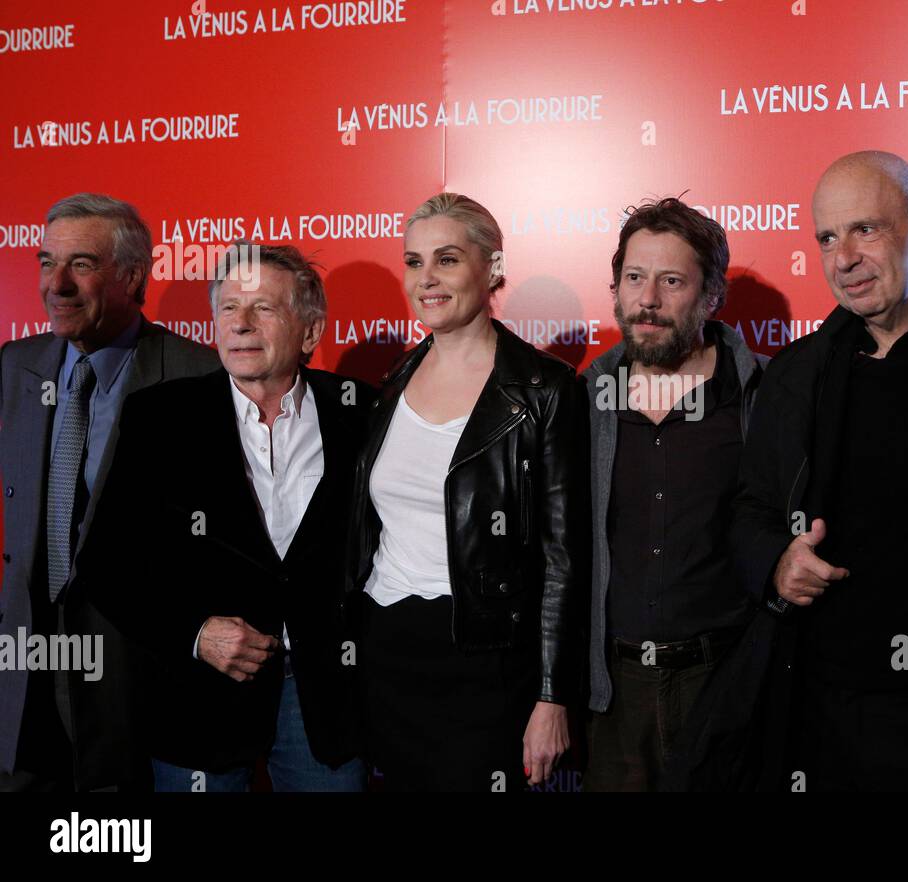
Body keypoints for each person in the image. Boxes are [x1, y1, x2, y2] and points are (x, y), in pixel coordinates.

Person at [673, 151, 908, 791]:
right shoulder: (796, 373)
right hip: (825, 715)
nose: (843, 258)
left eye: (865, 229)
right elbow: (749, 510)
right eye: (827, 237)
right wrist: (776, 565)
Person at [76, 243, 373, 791]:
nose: (240, 324)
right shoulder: (160, 417)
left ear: (310, 332)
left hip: (324, 699)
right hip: (198, 699)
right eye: (228, 308)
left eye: (263, 308)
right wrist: (195, 633)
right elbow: (105, 564)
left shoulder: (360, 412)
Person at [348, 193, 588, 792]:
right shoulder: (391, 383)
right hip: (389, 650)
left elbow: (564, 557)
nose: (426, 278)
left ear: (493, 267)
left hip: (486, 658)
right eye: (413, 261)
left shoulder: (544, 389)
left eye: (447, 259)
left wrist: (551, 696)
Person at [0, 193, 219, 791]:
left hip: (136, 669)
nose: (57, 285)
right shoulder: (14, 367)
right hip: (27, 661)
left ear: (132, 276)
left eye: (82, 265)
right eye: (47, 262)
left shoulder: (197, 375)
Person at [583, 197, 765, 791]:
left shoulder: (764, 393)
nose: (648, 301)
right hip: (612, 693)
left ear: (712, 297)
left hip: (727, 684)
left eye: (671, 281)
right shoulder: (581, 401)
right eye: (634, 279)